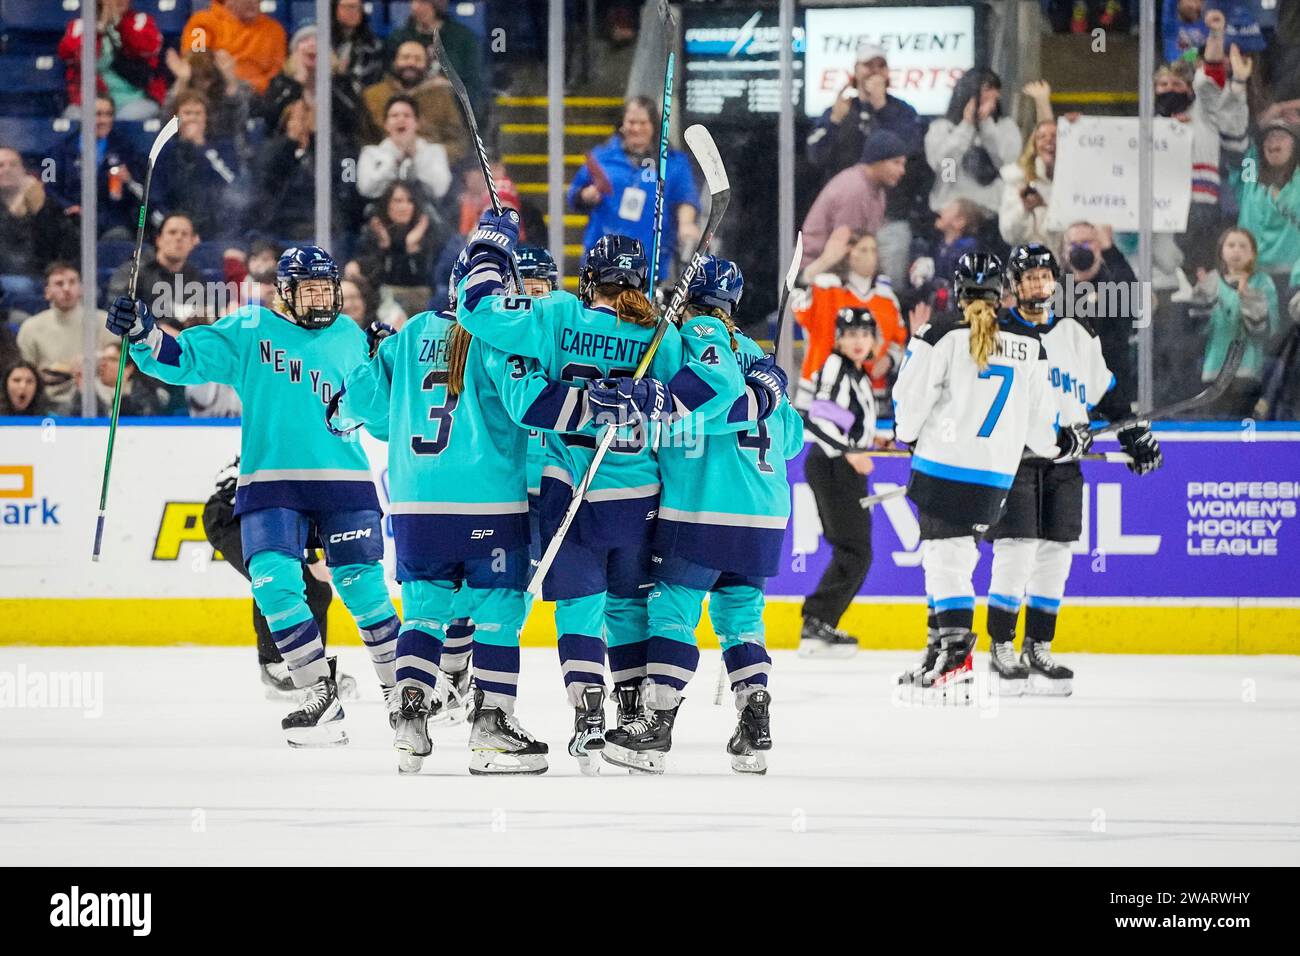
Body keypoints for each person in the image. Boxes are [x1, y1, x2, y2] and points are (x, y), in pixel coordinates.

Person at [329, 227, 648, 774]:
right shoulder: (501, 341)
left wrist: (339, 414)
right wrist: (602, 409)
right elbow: (532, 407)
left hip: (415, 505)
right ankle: (491, 726)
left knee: (424, 614)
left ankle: (409, 725)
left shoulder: (407, 336)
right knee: (499, 618)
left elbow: (361, 410)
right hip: (488, 503)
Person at [456, 227, 745, 772]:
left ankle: (587, 720)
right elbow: (722, 384)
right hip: (639, 496)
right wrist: (660, 395)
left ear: (588, 280)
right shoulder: (660, 335)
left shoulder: (558, 314)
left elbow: (475, 310)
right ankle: (633, 717)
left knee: (580, 608)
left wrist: (493, 247)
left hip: (568, 493)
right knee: (630, 607)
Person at [105, 246, 402, 746]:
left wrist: (386, 370)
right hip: (269, 483)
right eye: (308, 290)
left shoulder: (351, 336)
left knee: (363, 586)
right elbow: (182, 359)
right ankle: (316, 693)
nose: (321, 300)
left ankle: (405, 696)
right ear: (284, 293)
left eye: (326, 290)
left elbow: (381, 422)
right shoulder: (250, 329)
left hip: (343, 483)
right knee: (276, 586)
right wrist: (142, 333)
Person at [608, 257, 800, 775]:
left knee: (672, 612)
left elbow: (709, 402)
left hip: (702, 507)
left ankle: (657, 724)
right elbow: (794, 438)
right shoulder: (758, 356)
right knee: (741, 619)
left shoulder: (694, 337)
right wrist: (768, 393)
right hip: (763, 510)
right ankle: (754, 719)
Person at [891, 252, 1087, 701]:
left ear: (957, 290)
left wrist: (908, 436)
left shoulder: (938, 333)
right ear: (1002, 290)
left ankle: (955, 661)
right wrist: (1065, 445)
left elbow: (910, 402)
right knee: (951, 561)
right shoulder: (1030, 342)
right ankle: (938, 652)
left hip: (943, 467)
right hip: (998, 476)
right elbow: (1043, 427)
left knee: (946, 563)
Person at [982, 243, 1162, 697]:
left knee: (1056, 555)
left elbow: (1106, 393)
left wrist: (1132, 433)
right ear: (1014, 285)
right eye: (1029, 277)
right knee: (1016, 551)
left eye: (1045, 276)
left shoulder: (1077, 332)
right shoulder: (995, 333)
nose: (1039, 284)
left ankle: (1037, 646)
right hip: (1014, 462)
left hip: (1066, 461)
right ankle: (1001, 645)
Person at [201, 457, 349, 700]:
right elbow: (228, 481)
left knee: (317, 591)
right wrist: (311, 558)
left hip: (269, 516)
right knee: (272, 580)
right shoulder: (286, 446)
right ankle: (274, 664)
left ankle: (309, 663)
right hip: (232, 517)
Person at [796, 307, 880, 659]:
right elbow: (817, 414)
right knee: (855, 549)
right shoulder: (835, 366)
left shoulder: (856, 373)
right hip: (833, 465)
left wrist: (865, 441)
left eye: (865, 333)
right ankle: (816, 621)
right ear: (838, 338)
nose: (858, 341)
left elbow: (843, 416)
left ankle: (819, 620)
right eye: (851, 334)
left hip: (840, 464)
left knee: (855, 549)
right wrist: (850, 450)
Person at [805, 43, 924, 285]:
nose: (875, 72)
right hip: (846, 213)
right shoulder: (840, 110)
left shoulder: (901, 111)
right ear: (855, 71)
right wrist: (834, 123)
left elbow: (912, 151)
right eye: (868, 66)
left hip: (890, 214)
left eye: (881, 66)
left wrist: (881, 107)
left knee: (885, 286)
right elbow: (815, 156)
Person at [567, 96, 701, 285]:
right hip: (601, 262)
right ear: (622, 124)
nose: (636, 128)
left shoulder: (672, 162)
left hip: (647, 263)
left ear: (654, 125)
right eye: (631, 122)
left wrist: (686, 223)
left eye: (643, 123)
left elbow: (685, 198)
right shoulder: (602, 157)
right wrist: (586, 195)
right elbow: (574, 195)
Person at [794, 229, 905, 414]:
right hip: (818, 394)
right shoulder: (826, 287)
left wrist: (890, 359)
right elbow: (798, 304)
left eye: (873, 250)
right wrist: (824, 261)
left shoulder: (887, 298)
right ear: (848, 254)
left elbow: (898, 341)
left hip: (871, 395)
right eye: (863, 250)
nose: (870, 256)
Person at [1188, 226, 1282, 416]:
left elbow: (1267, 330)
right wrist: (1202, 296)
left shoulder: (1263, 282)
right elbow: (1196, 328)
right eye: (1231, 245)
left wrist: (1247, 297)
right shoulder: (1211, 280)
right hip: (1214, 369)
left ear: (1253, 254)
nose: (1236, 251)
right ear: (1221, 251)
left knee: (1242, 422)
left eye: (1243, 246)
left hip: (1248, 372)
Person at [1058, 222, 1139, 420]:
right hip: (1069, 391)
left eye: (1086, 242)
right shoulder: (1057, 289)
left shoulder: (1114, 282)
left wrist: (1111, 251)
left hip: (1112, 392)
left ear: (1099, 245)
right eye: (1073, 244)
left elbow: (1132, 296)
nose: (1080, 249)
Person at [799, 129, 908, 267]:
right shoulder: (855, 189)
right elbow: (846, 250)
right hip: (816, 270)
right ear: (877, 161)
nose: (902, 171)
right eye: (896, 163)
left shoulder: (877, 189)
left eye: (903, 164)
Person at [924, 69, 1023, 218]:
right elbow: (945, 170)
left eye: (997, 90)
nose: (995, 95)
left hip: (993, 212)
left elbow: (1007, 164)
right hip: (950, 214)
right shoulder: (942, 128)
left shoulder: (1006, 126)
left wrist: (986, 125)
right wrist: (966, 126)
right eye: (988, 89)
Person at [17, 263, 113, 414]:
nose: (67, 288)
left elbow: (121, 360)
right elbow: (23, 373)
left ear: (81, 288)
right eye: (59, 284)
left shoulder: (104, 321)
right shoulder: (30, 328)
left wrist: (92, 359)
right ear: (47, 292)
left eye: (72, 282)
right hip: (48, 404)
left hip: (100, 402)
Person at [48, 95, 147, 240]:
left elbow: (141, 190)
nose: (104, 120)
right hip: (73, 219)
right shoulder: (59, 150)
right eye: (98, 114)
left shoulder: (126, 149)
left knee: (120, 236)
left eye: (108, 114)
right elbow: (49, 188)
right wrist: (68, 206)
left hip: (111, 220)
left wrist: (129, 180)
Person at [362, 41, 469, 163]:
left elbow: (459, 142)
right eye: (405, 57)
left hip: (433, 169)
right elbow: (364, 139)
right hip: (384, 167)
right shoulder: (372, 95)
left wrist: (431, 155)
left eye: (418, 59)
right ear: (394, 62)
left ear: (426, 65)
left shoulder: (442, 96)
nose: (411, 63)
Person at [58, 0, 164, 121]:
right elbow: (71, 54)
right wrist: (98, 30)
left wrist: (119, 23)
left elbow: (147, 47)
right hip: (91, 101)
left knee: (124, 120)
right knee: (73, 116)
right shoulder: (80, 25)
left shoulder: (141, 20)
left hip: (133, 98)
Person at [352, 181, 444, 317]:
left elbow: (429, 280)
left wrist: (412, 247)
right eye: (398, 201)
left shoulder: (429, 233)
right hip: (382, 303)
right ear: (387, 204)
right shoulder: (372, 232)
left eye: (409, 201)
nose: (404, 207)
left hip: (421, 303)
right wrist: (384, 247)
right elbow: (374, 281)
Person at [0, 148, 78, 302]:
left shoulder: (46, 205)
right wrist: (15, 212)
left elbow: (67, 247)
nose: (7, 169)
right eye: (1, 165)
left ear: (24, 171)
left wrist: (40, 209)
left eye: (13, 164)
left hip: (40, 277)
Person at [385, 0, 483, 114]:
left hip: (448, 112)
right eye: (413, 2)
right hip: (406, 109)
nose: (415, 7)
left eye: (423, 2)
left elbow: (473, 84)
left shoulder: (463, 38)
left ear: (437, 5)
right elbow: (388, 76)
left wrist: (447, 86)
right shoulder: (398, 38)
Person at [109, 214, 206, 325]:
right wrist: (158, 329)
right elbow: (117, 312)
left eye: (185, 234)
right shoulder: (132, 272)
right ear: (158, 239)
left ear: (193, 242)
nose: (179, 238)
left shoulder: (194, 276)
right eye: (172, 232)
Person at [181, 0, 287, 97]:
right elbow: (195, 60)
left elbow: (276, 73)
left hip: (260, 96)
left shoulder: (274, 30)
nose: (253, 2)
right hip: (215, 93)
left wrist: (256, 85)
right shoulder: (202, 22)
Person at [357, 95, 453, 203]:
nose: (401, 119)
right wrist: (393, 162)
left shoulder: (434, 152)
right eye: (394, 115)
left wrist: (416, 157)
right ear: (386, 124)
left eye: (407, 115)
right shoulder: (371, 153)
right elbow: (365, 189)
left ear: (417, 123)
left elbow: (439, 189)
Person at [998, 113, 1059, 251]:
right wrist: (1024, 210)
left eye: (1055, 136)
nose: (1049, 140)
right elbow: (1009, 235)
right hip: (1030, 265)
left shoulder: (1074, 182)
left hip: (1067, 268)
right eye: (1041, 137)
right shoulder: (1018, 180)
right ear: (1034, 145)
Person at [333, 0, 385, 92]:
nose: (354, 12)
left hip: (358, 99)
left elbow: (372, 80)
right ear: (335, 9)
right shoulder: (323, 42)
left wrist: (343, 74)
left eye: (358, 8)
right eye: (348, 7)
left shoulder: (372, 45)